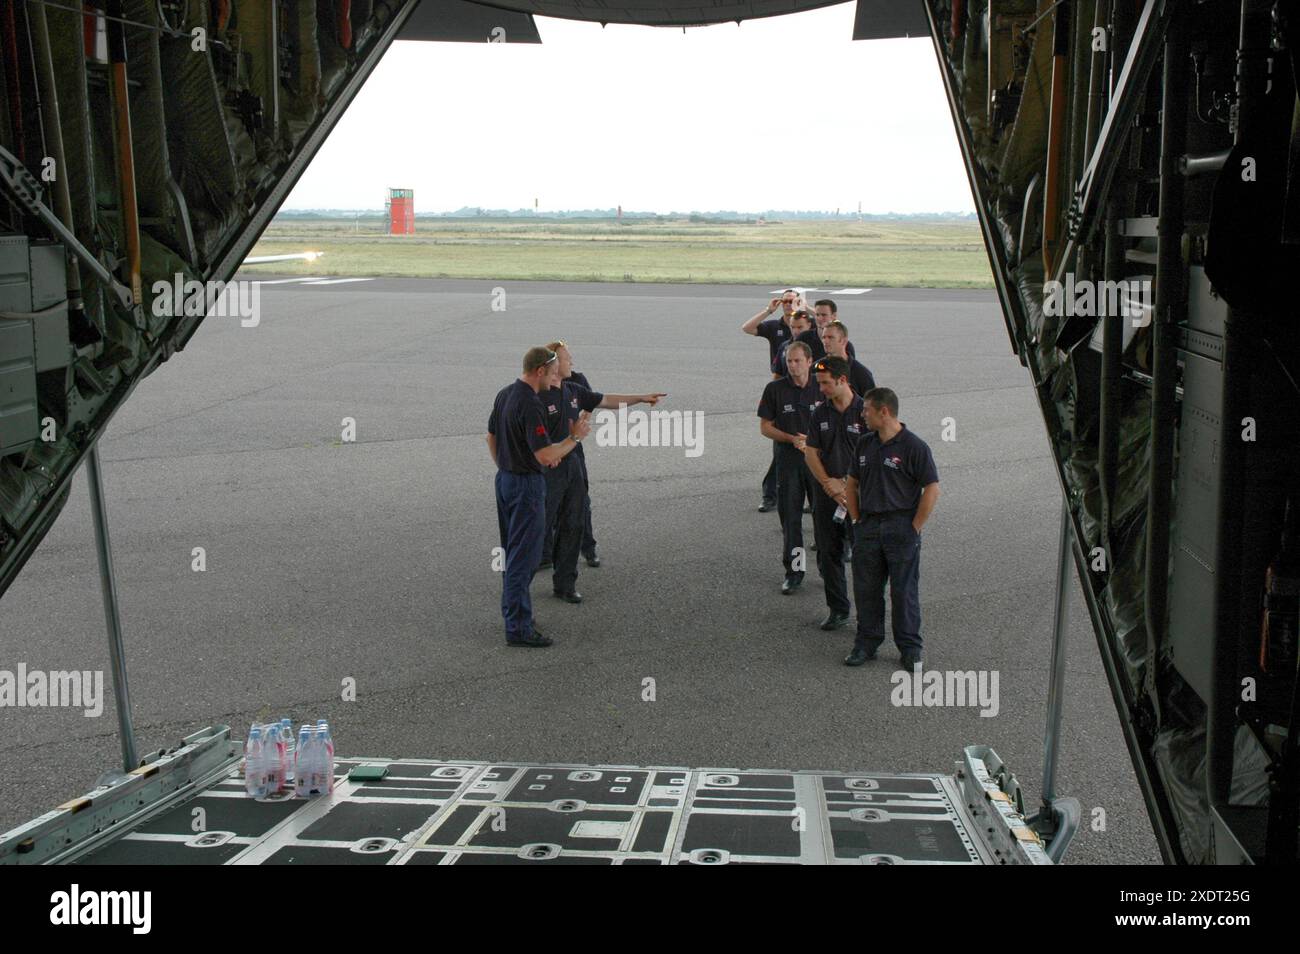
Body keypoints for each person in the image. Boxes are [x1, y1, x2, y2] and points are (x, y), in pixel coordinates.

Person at [536, 342, 666, 603]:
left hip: (572, 463)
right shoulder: (537, 397)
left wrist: (640, 398)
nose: (571, 362)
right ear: (552, 366)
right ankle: (519, 581)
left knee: (574, 521)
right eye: (566, 359)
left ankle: (565, 583)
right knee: (540, 523)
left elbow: (606, 400)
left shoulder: (574, 390)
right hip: (548, 467)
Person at [486, 346, 590, 648]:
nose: (556, 375)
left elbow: (490, 436)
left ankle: (514, 615)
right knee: (525, 558)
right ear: (541, 370)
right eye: (553, 370)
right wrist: (575, 437)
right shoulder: (531, 404)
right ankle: (518, 628)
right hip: (526, 487)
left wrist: (506, 466)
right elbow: (546, 455)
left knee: (511, 552)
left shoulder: (505, 393)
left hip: (505, 481)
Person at [842, 387, 940, 669]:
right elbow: (852, 483)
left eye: (866, 411)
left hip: (901, 528)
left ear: (884, 412)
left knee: (903, 590)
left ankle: (910, 648)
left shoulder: (914, 447)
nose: (862, 416)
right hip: (869, 526)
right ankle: (866, 643)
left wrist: (915, 526)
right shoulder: (864, 444)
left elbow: (932, 489)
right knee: (866, 589)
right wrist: (857, 519)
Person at [800, 356, 866, 630]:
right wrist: (829, 483)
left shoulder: (866, 411)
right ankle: (838, 608)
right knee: (828, 553)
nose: (821, 389)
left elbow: (873, 455)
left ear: (842, 381)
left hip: (859, 498)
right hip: (827, 497)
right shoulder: (820, 413)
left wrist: (846, 483)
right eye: (819, 383)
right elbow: (811, 453)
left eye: (826, 383)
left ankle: (867, 616)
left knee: (864, 558)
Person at [757, 341, 822, 594]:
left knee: (824, 521)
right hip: (788, 463)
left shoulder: (822, 385)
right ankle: (794, 572)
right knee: (791, 520)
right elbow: (765, 427)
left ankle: (828, 568)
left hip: (818, 463)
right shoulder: (775, 389)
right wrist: (791, 439)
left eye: (797, 361)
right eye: (788, 360)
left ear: (809, 361)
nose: (792, 365)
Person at [742, 289, 802, 512]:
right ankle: (770, 494)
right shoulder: (775, 327)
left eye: (792, 301)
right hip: (782, 387)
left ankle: (801, 494)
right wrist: (768, 310)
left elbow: (831, 325)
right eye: (785, 301)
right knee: (782, 447)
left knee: (804, 445)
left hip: (806, 388)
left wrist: (805, 309)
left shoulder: (808, 324)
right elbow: (747, 328)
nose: (788, 304)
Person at [820, 320, 875, 396]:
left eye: (830, 337)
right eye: (823, 337)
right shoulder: (816, 369)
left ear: (843, 341)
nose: (825, 341)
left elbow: (872, 404)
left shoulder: (862, 374)